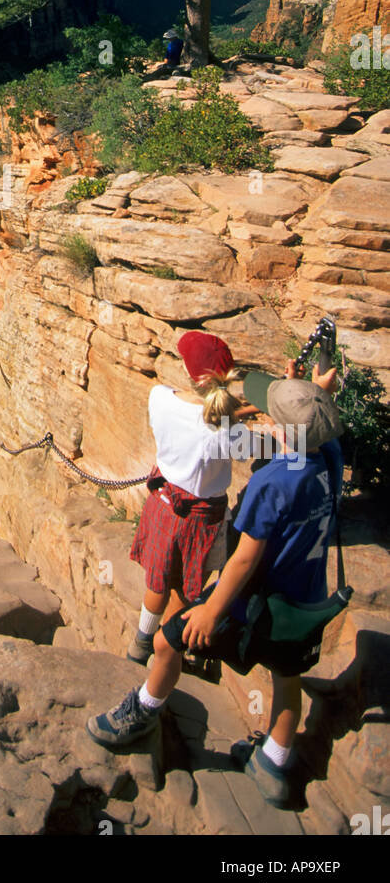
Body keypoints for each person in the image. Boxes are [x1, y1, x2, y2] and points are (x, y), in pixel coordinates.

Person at [87, 359, 344, 810]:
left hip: (251, 606)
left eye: (270, 413)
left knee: (169, 644)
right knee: (287, 684)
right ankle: (273, 766)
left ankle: (144, 712)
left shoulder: (271, 483)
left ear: (278, 429)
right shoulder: (329, 459)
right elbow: (314, 427)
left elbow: (244, 558)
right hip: (303, 605)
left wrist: (210, 610)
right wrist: (313, 392)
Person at [126, 331, 255, 665]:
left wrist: (235, 415)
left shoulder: (160, 397)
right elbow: (252, 446)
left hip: (163, 503)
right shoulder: (227, 429)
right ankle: (176, 648)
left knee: (158, 579)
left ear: (188, 370)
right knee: (186, 587)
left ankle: (141, 642)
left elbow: (202, 418)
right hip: (199, 518)